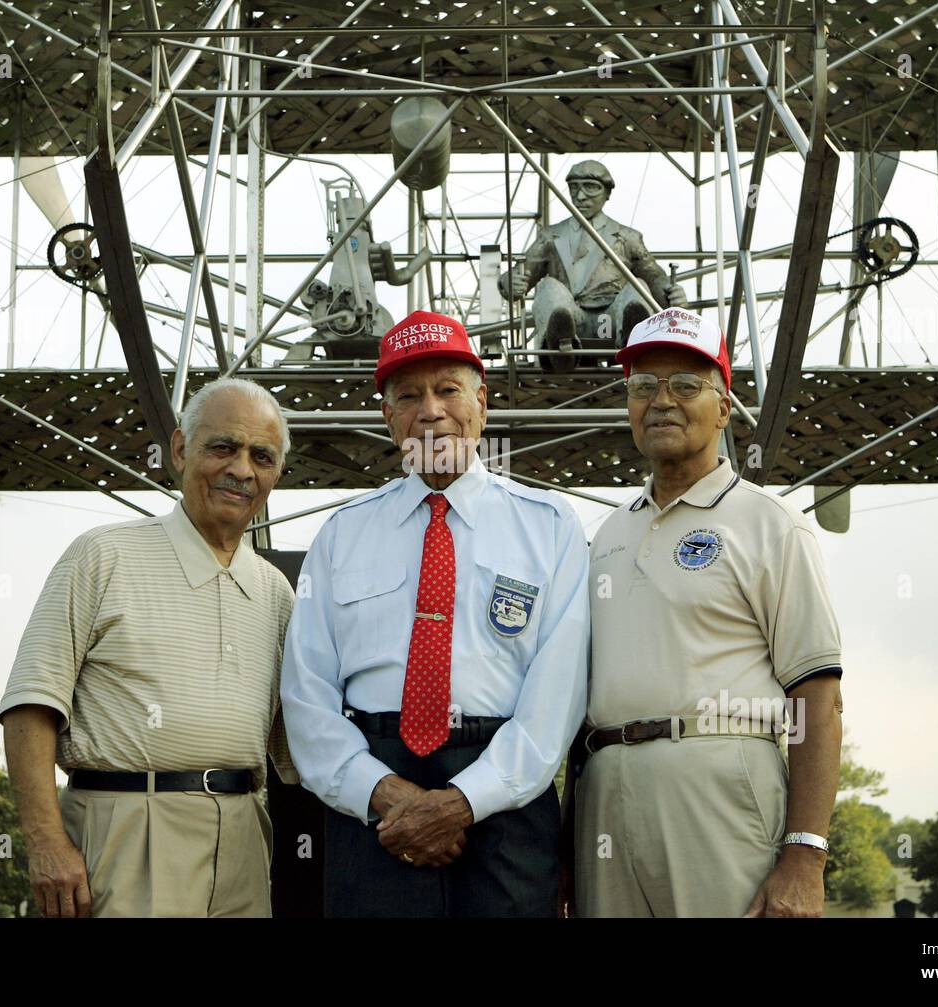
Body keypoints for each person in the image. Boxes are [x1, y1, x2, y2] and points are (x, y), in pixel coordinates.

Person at [281, 309, 589, 917]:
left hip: (504, 797)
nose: (430, 410)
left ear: (481, 402)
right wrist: (387, 796)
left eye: (448, 389)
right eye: (408, 395)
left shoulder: (549, 528)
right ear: (387, 417)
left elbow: (556, 701)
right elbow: (306, 695)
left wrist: (461, 802)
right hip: (370, 796)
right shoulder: (341, 535)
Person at [575, 307, 844, 917]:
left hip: (720, 781)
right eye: (643, 387)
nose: (661, 401)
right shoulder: (607, 534)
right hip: (605, 786)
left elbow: (816, 696)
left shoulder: (772, 524)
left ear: (724, 407)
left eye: (685, 385)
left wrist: (806, 854)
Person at [0, 378, 297, 918]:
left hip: (245, 843)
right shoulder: (102, 556)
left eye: (262, 456)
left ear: (276, 474)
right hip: (126, 834)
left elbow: (297, 751)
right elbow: (30, 704)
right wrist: (45, 841)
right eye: (223, 447)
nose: (242, 470)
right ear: (181, 450)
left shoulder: (277, 593)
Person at [499, 159, 687, 366]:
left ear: (607, 193)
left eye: (590, 188)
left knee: (639, 287)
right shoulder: (551, 236)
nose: (580, 196)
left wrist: (670, 292)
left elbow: (653, 274)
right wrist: (512, 283)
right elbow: (522, 271)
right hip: (570, 316)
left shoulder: (627, 237)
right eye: (574, 188)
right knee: (548, 287)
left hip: (611, 317)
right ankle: (560, 348)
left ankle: (635, 340)